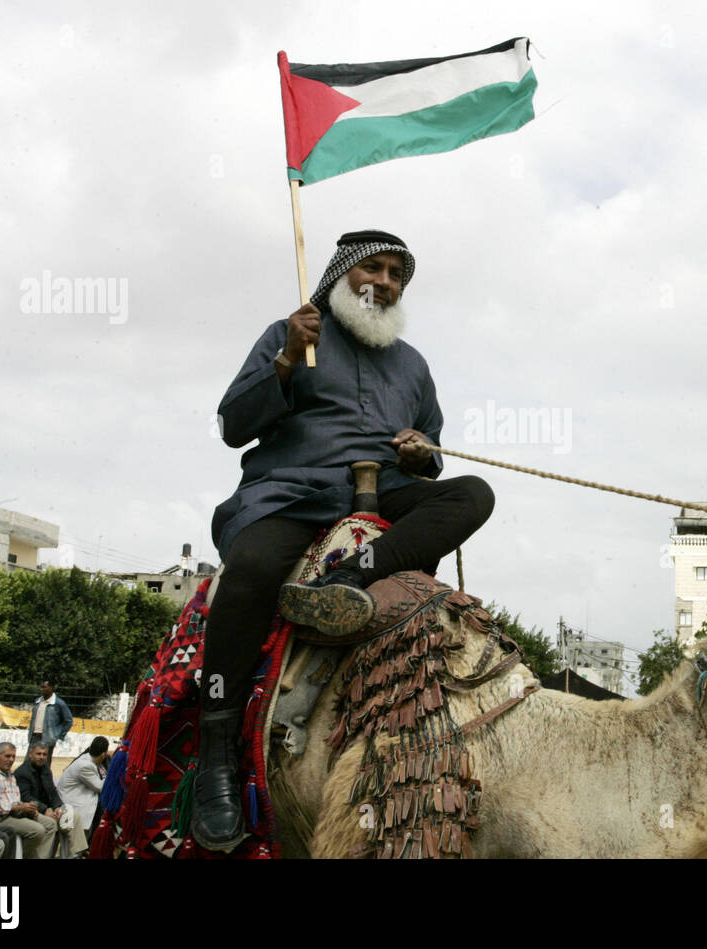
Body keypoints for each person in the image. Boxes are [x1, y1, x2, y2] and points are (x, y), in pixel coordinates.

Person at [195, 229, 495, 852]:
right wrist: (284, 361)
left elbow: (431, 455)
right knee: (250, 566)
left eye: (397, 276)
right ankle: (217, 751)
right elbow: (232, 426)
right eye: (375, 269)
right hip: (292, 494)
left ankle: (350, 576)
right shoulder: (294, 331)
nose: (384, 283)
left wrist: (420, 452)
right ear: (342, 275)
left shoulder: (413, 364)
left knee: (473, 494)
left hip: (381, 497)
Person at [0, 742, 56, 858]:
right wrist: (18, 807)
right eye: (7, 756)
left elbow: (16, 799)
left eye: (13, 756)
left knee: (50, 824)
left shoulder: (9, 774)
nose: (11, 760)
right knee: (37, 830)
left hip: (15, 814)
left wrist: (26, 807)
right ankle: (19, 855)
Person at [15, 741, 84, 856]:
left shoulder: (45, 769)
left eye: (44, 754)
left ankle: (75, 854)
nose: (42, 757)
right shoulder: (22, 773)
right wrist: (44, 809)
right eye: (38, 754)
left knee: (73, 816)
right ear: (30, 754)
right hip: (33, 811)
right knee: (51, 823)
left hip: (50, 809)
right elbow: (25, 797)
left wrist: (57, 806)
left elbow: (52, 791)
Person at [58, 736, 108, 845]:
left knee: (74, 850)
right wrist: (112, 774)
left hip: (75, 808)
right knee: (73, 851)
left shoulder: (87, 760)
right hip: (73, 811)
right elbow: (100, 787)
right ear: (103, 754)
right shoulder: (85, 765)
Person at [27, 680, 73, 761]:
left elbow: (68, 720)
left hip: (48, 738)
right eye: (41, 687)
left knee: (44, 763)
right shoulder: (38, 701)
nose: (42, 689)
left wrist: (58, 734)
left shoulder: (58, 703)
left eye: (44, 687)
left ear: (51, 688)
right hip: (34, 736)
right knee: (29, 761)